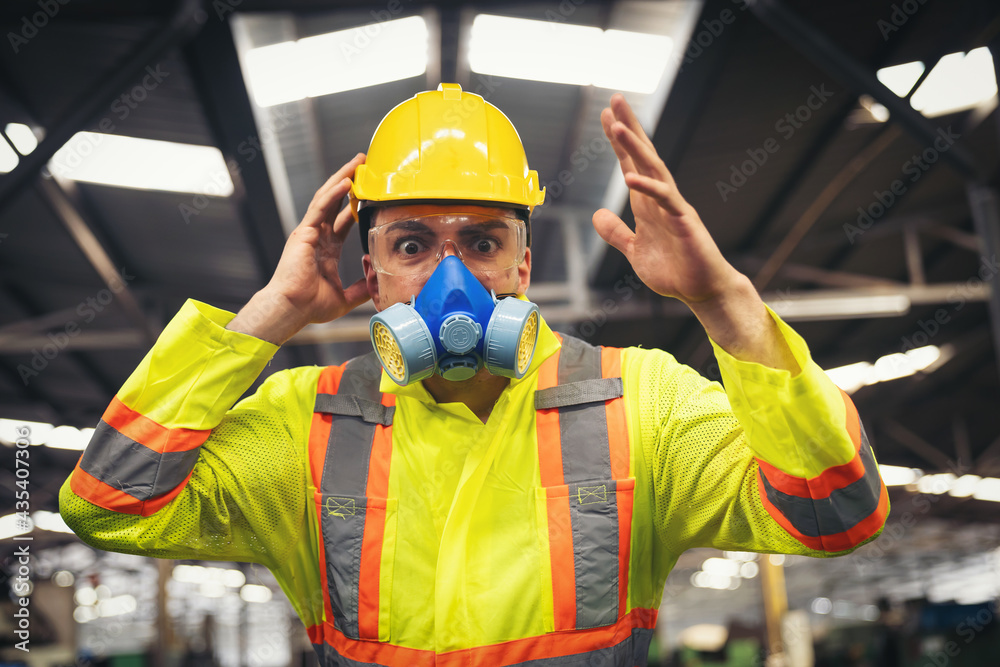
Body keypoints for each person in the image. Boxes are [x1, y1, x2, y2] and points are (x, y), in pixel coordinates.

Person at [60, 83, 889, 666]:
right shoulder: (302, 422)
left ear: (524, 266)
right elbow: (111, 506)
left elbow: (837, 512)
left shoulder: (643, 403)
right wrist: (269, 315)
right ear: (370, 267)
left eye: (483, 241)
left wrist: (726, 303)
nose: (448, 277)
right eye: (412, 243)